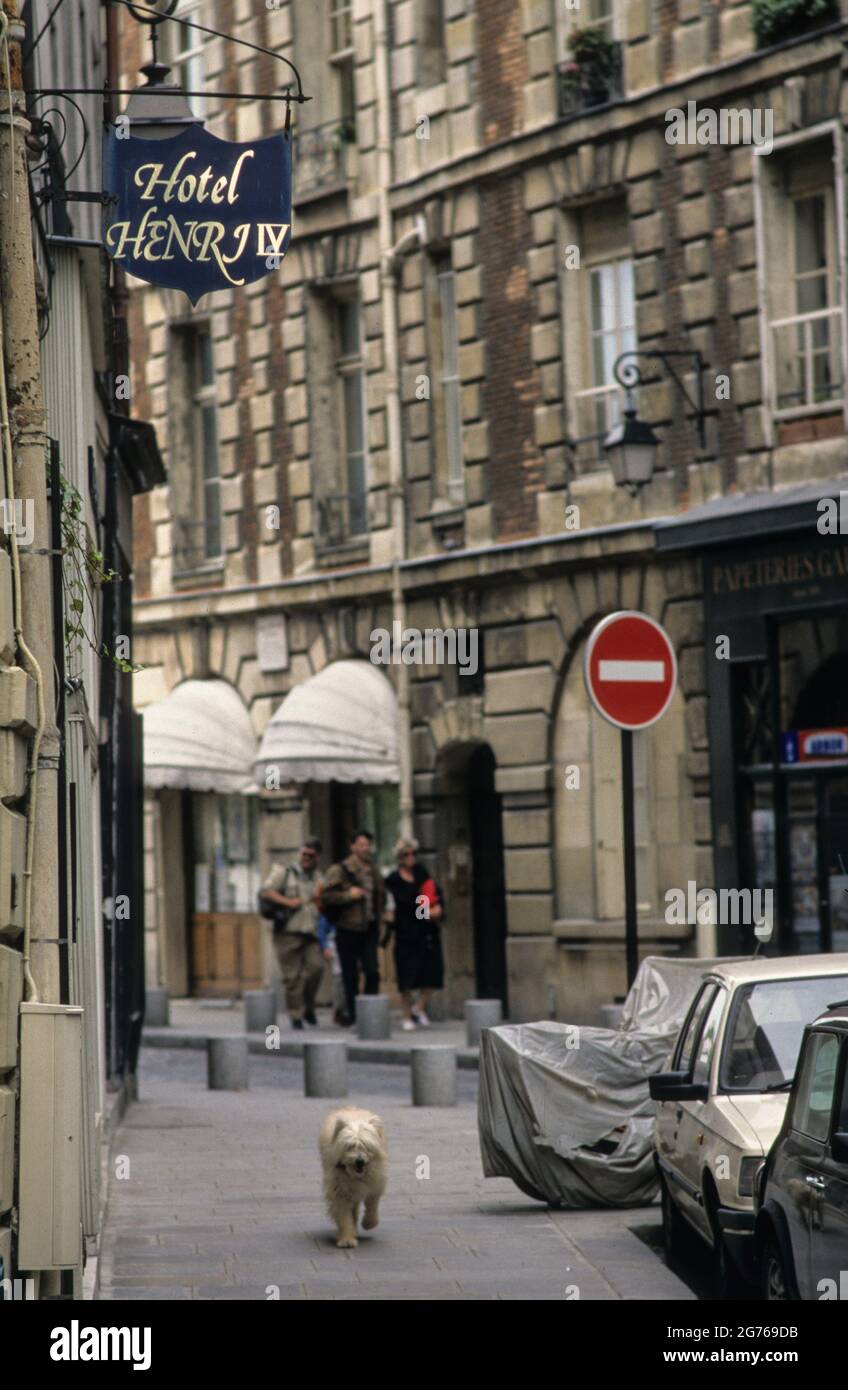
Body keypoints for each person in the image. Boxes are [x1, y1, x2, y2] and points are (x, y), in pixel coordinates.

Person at [321, 829, 385, 1025]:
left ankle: (370, 1014)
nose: (365, 848)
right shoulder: (339, 869)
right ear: (352, 846)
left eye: (368, 844)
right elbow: (326, 897)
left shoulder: (374, 869)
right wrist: (349, 895)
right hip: (347, 928)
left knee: (372, 970)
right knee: (350, 976)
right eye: (361, 844)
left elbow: (380, 897)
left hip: (369, 927)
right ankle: (354, 1016)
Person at [260, 837, 324, 1031]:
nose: (306, 858)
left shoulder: (319, 878)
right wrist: (289, 902)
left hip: (310, 932)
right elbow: (266, 891)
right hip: (287, 933)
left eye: (310, 855)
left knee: (316, 969)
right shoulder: (284, 872)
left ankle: (308, 1007)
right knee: (292, 978)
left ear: (317, 857)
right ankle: (296, 1014)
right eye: (303, 854)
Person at [383, 836, 444, 1031]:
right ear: (400, 857)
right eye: (406, 854)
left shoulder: (422, 873)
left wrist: (438, 910)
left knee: (433, 972)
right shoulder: (393, 879)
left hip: (426, 933)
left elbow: (434, 894)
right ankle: (407, 1015)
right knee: (406, 976)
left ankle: (419, 1007)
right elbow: (406, 903)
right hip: (406, 933)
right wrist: (426, 912)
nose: (411, 858)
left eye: (413, 854)